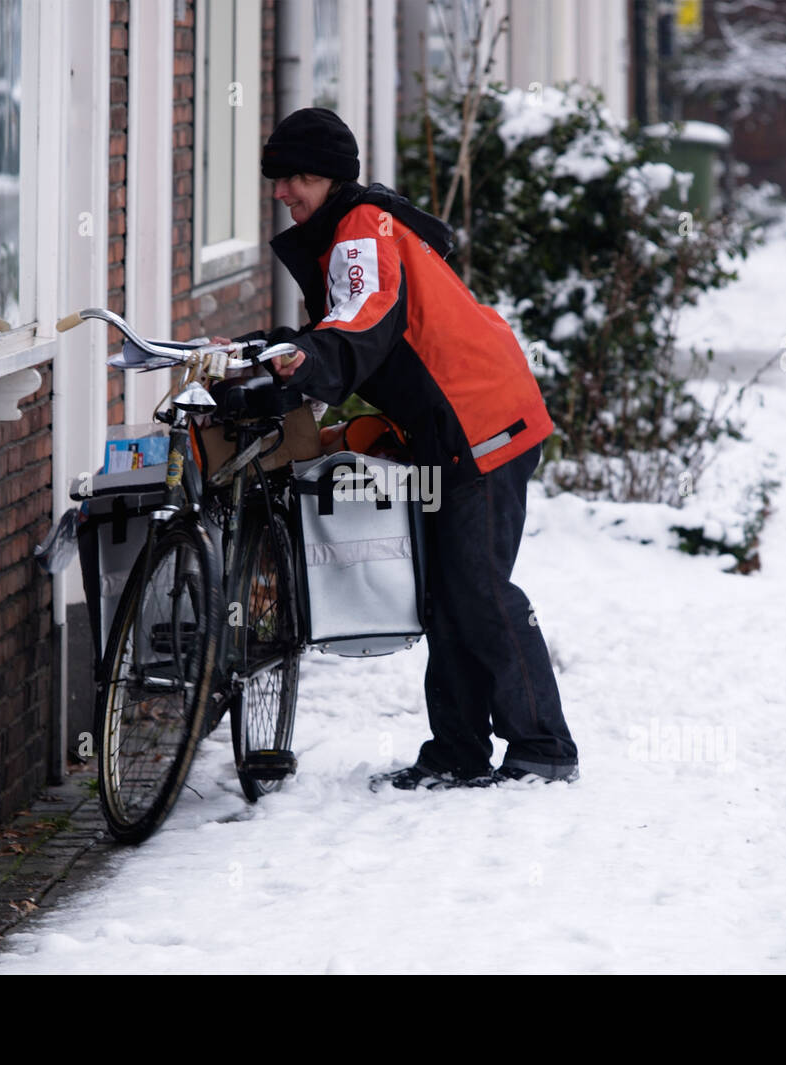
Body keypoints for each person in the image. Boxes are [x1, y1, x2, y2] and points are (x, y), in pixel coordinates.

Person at [259, 107, 578, 789]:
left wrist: (310, 355)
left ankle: (544, 746)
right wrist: (293, 356)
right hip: (445, 428)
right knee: (444, 594)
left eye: (297, 177)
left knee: (480, 587)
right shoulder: (343, 231)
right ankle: (460, 748)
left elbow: (362, 317)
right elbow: (352, 329)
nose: (283, 191)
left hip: (482, 421)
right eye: (278, 177)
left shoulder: (360, 230)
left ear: (332, 177)